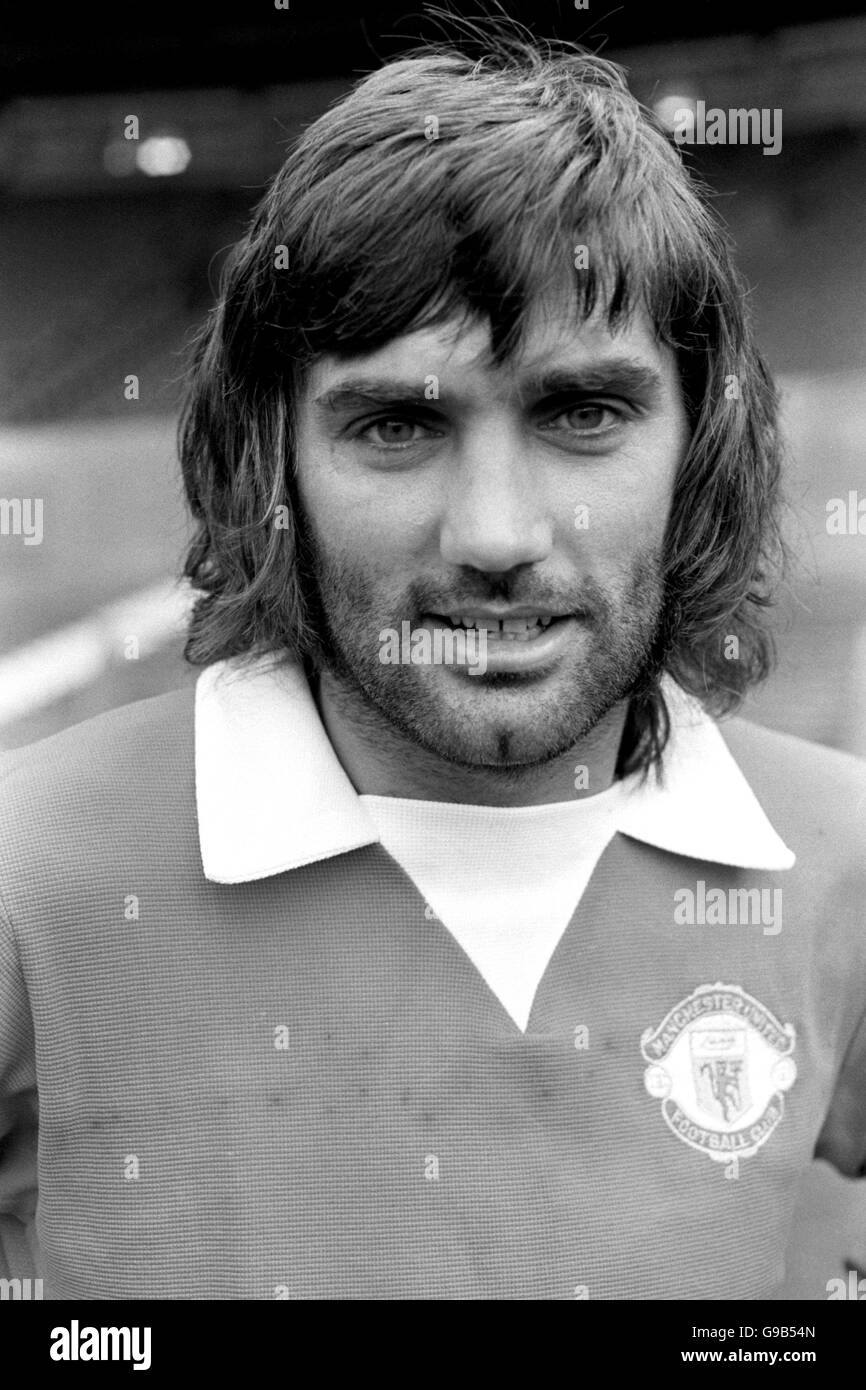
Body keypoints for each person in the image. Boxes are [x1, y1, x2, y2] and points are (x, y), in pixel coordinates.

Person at [1, 27, 865, 1302]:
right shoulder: (29, 872)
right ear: (269, 458)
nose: (497, 537)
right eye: (397, 423)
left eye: (582, 413)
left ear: (698, 445)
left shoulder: (842, 859)